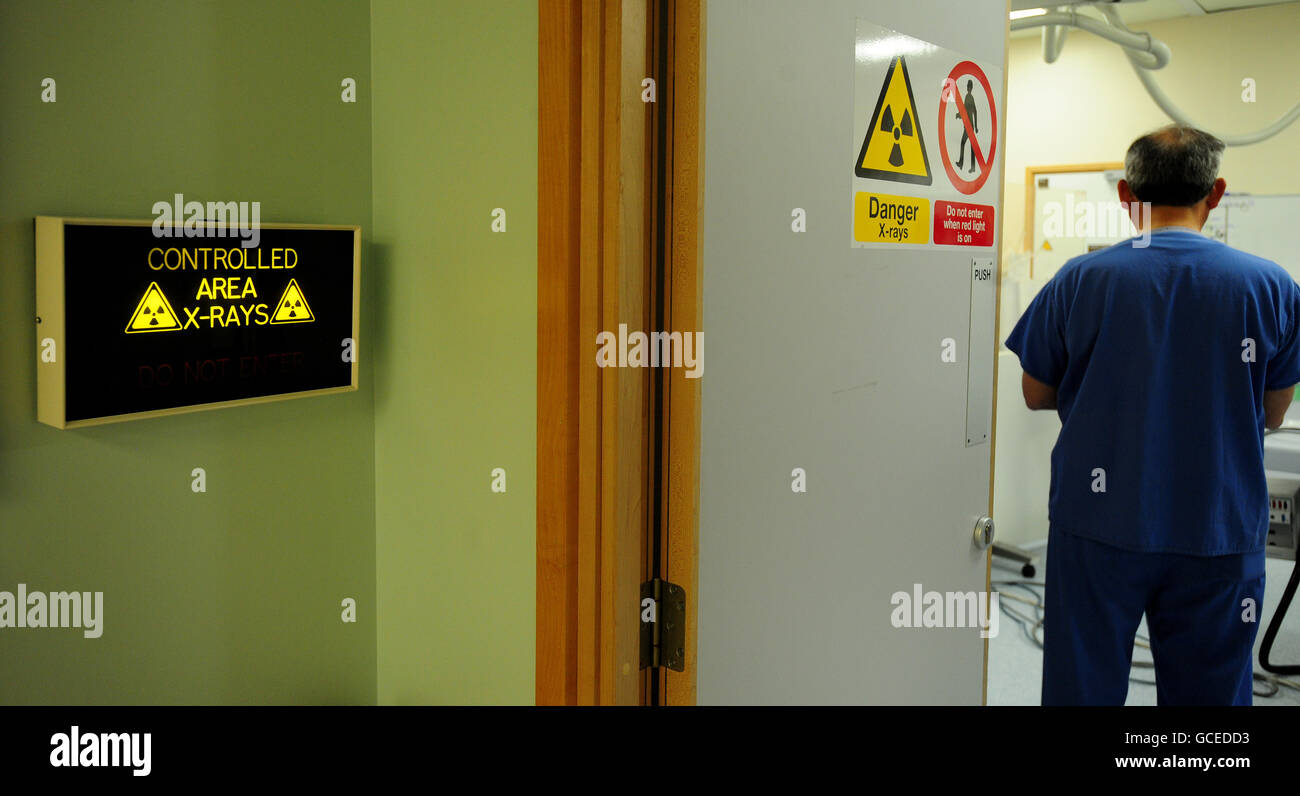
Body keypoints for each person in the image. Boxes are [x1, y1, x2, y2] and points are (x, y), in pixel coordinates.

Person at [1004, 124, 1300, 705]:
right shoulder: (1271, 287)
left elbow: (1035, 393)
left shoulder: (1079, 279)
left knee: (1081, 689)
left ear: (1125, 195)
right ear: (1215, 194)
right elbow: (1271, 413)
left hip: (1098, 526)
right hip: (1217, 527)